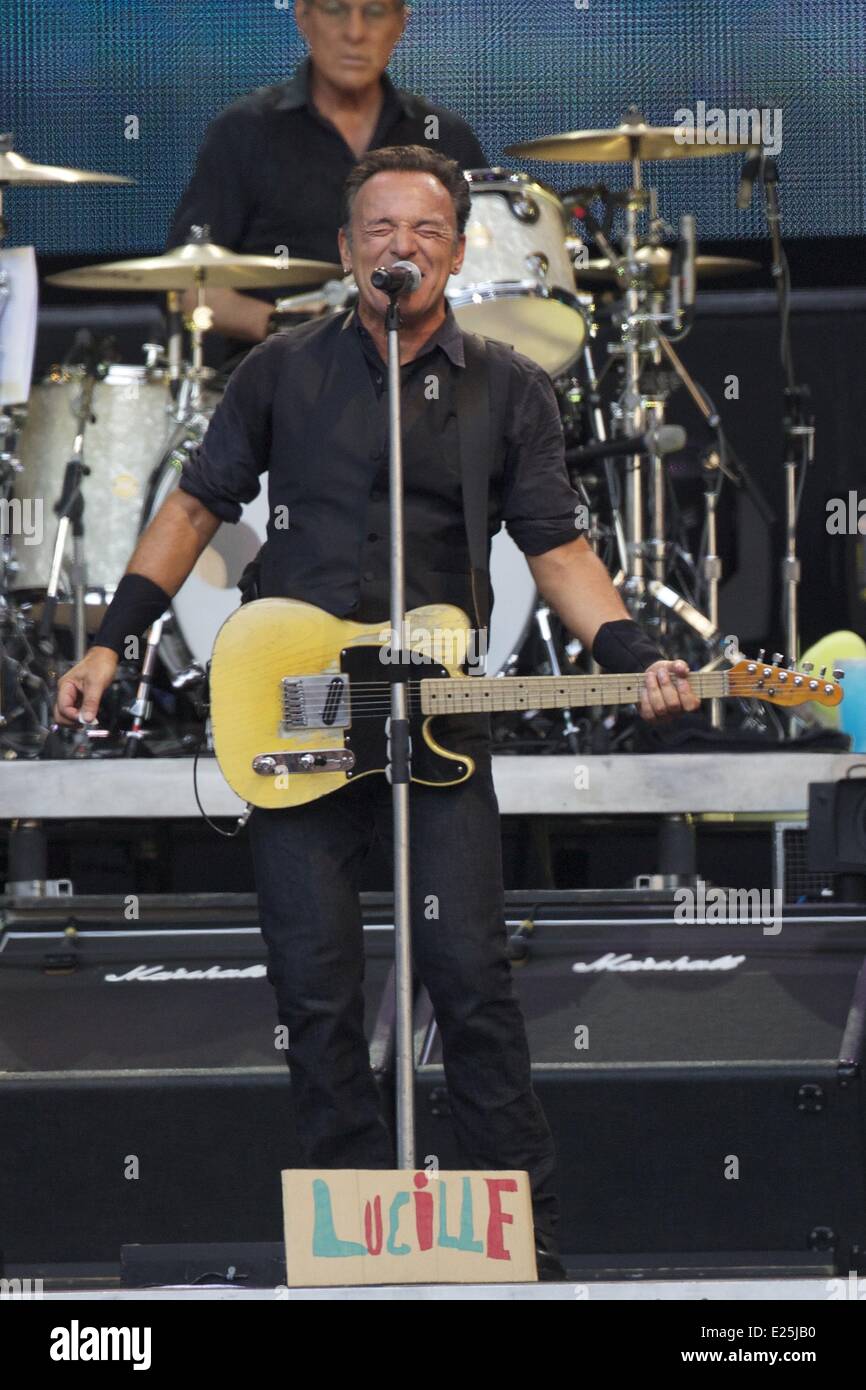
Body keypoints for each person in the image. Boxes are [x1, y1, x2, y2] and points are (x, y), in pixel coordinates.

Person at [54, 145, 700, 1282]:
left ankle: (516, 1228)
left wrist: (632, 650)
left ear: (455, 249)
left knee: (468, 972)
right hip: (296, 711)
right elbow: (198, 503)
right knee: (314, 987)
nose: (399, 247)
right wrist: (115, 635)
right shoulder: (281, 372)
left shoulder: (511, 386)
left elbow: (554, 547)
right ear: (348, 249)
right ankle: (357, 1231)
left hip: (437, 725)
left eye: (424, 230)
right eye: (377, 229)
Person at [165, 0, 487, 362]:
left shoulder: (445, 136)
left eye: (375, 11)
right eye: (336, 9)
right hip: (281, 378)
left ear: (401, 22)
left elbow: (487, 272)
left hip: (422, 380)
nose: (355, 32)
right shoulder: (244, 131)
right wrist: (285, 326)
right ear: (303, 15)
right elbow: (187, 285)